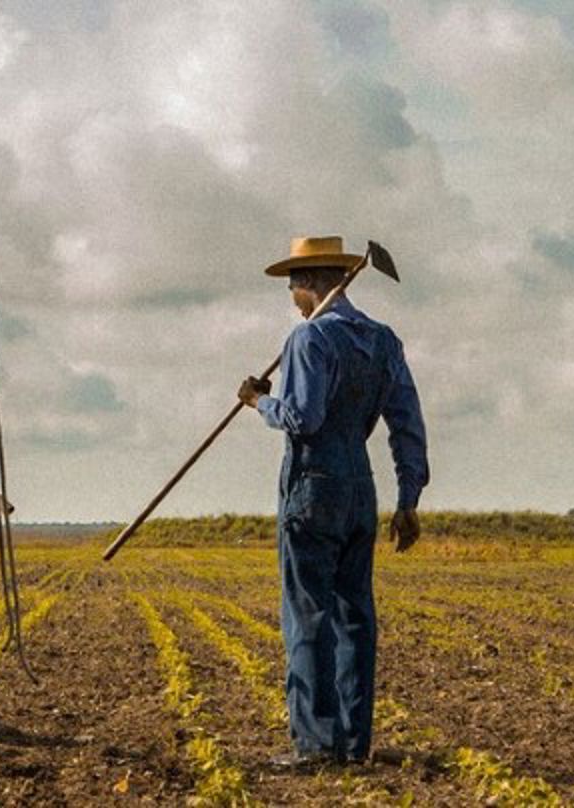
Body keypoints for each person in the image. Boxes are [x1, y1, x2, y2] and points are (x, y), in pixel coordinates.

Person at [236, 235, 428, 768]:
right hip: (360, 490)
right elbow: (407, 422)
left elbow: (302, 419)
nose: (293, 297)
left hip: (312, 486)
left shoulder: (309, 337)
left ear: (313, 283)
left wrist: (259, 401)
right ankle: (352, 743)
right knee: (354, 617)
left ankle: (315, 745)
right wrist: (408, 497)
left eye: (294, 286)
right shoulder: (383, 340)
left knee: (307, 616)